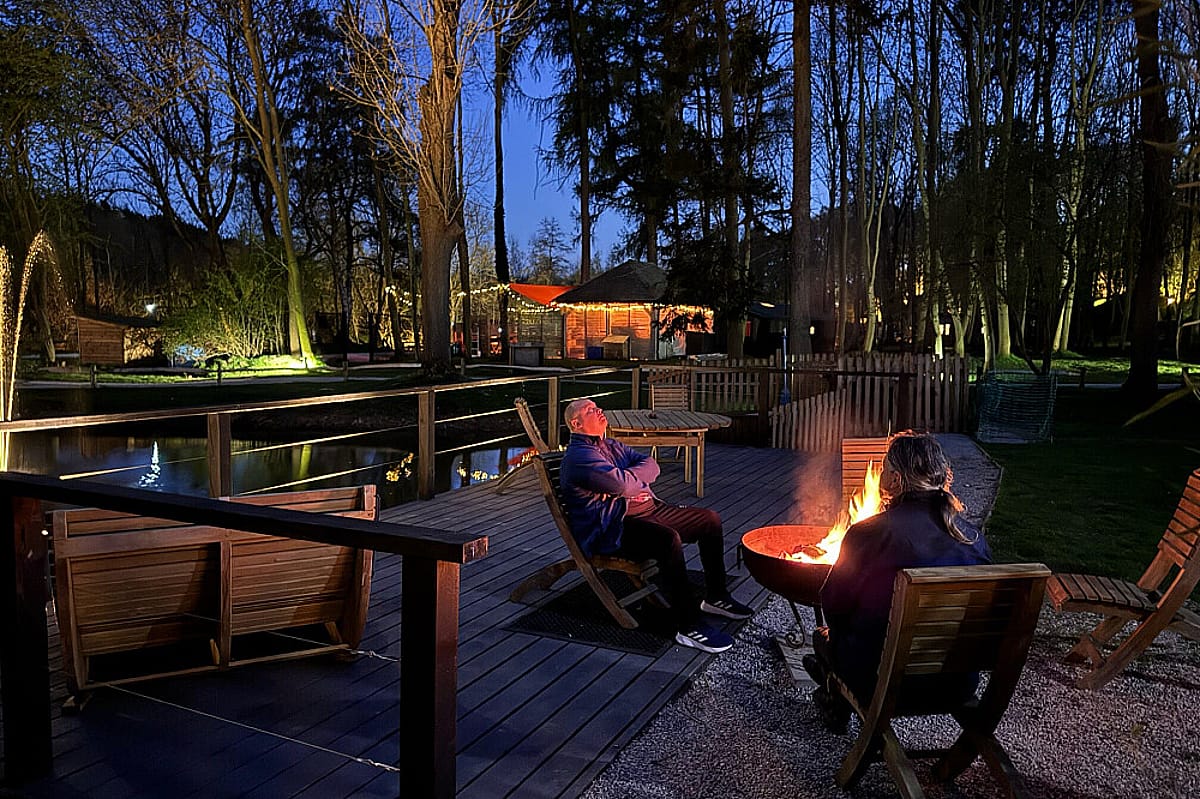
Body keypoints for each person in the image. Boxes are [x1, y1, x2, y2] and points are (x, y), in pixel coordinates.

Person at [803, 431, 993, 733]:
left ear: (894, 477)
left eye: (884, 467)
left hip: (885, 681)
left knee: (822, 639)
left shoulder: (870, 533)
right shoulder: (974, 538)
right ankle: (831, 690)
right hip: (957, 682)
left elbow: (834, 607)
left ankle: (833, 693)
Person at [559, 398, 753, 653]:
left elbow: (652, 465)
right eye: (591, 410)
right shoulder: (579, 457)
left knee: (709, 520)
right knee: (666, 539)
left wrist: (631, 479)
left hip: (651, 511)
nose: (600, 412)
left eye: (598, 407)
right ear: (576, 422)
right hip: (614, 528)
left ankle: (716, 597)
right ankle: (688, 625)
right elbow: (621, 487)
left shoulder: (611, 446)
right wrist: (632, 481)